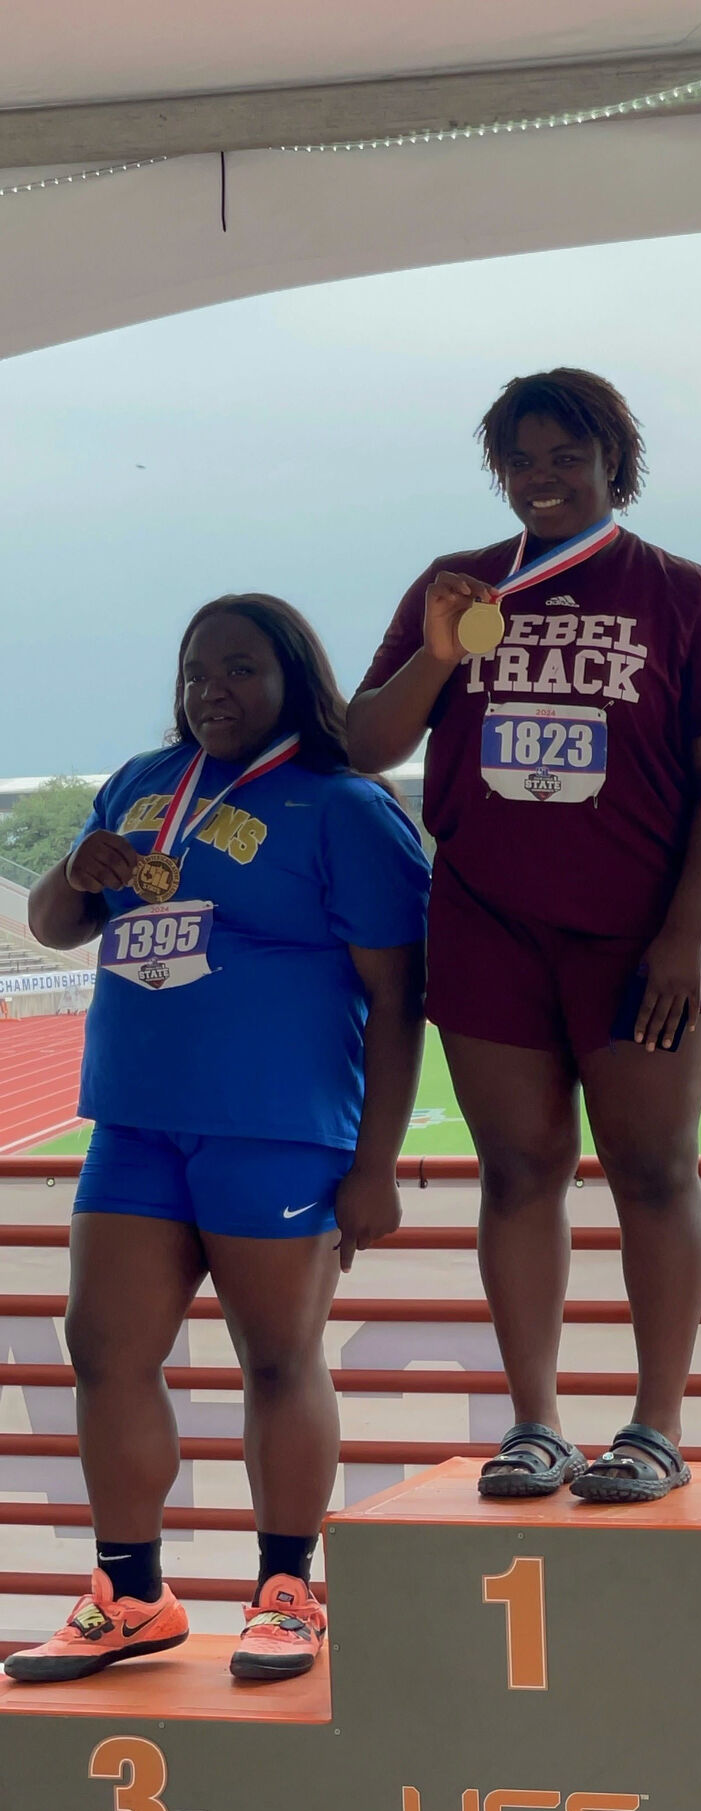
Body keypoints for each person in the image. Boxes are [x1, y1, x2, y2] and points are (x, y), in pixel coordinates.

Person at [348, 368, 701, 1502]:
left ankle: (656, 1424)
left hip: (640, 937)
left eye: (565, 456)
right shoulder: (456, 586)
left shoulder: (684, 593)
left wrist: (685, 930)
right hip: (488, 925)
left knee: (649, 1167)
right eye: (520, 459)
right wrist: (438, 651)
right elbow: (363, 741)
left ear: (611, 465)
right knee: (519, 1170)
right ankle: (534, 1423)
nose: (543, 478)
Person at [7, 596, 430, 1685]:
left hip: (278, 1128)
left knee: (278, 1357)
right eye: (198, 671)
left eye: (241, 669)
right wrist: (78, 869)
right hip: (138, 1120)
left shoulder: (346, 808)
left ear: (295, 679)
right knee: (104, 1349)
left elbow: (398, 997)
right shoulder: (144, 784)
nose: (213, 692)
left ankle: (287, 1588)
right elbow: (54, 924)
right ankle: (130, 1592)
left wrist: (375, 1163)